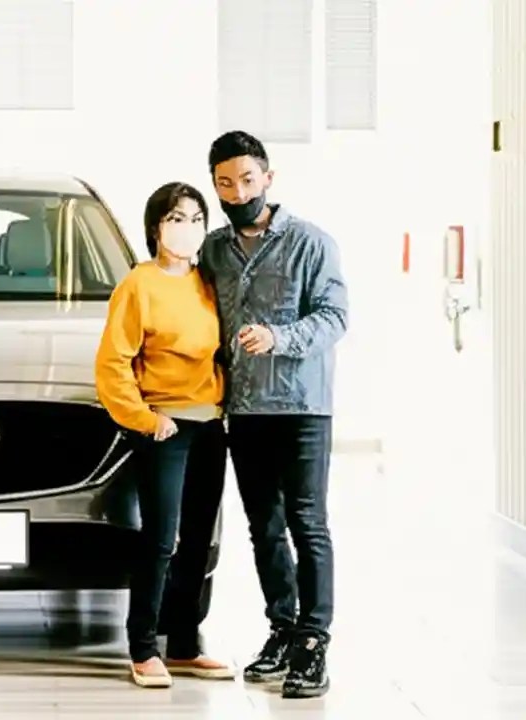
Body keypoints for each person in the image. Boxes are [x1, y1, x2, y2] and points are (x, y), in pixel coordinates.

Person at [198, 130, 349, 699]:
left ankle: (315, 639)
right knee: (264, 528)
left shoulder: (311, 243)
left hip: (303, 408)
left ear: (269, 178)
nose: (238, 191)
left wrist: (279, 336)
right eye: (225, 184)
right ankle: (282, 628)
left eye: (247, 179)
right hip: (244, 410)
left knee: (307, 524)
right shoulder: (213, 249)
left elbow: (335, 316)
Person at [94, 181, 234, 688]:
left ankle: (185, 645)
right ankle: (142, 646)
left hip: (209, 425)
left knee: (197, 541)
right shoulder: (139, 284)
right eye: (177, 218)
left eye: (197, 218)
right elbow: (112, 363)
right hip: (163, 428)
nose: (188, 228)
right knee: (160, 540)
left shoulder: (209, 282)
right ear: (156, 226)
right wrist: (147, 419)